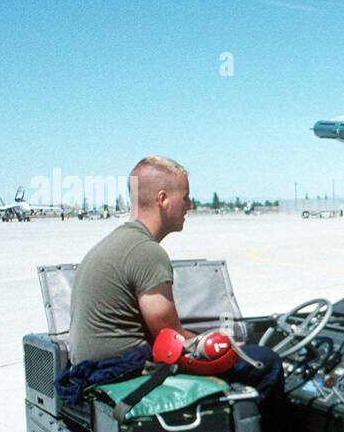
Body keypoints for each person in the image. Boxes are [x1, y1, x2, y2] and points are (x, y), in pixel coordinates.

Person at [58, 155, 282, 404]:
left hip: (100, 368)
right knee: (266, 362)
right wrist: (222, 345)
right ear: (163, 199)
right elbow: (170, 338)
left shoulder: (116, 242)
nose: (190, 206)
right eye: (185, 197)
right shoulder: (147, 252)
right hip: (126, 371)